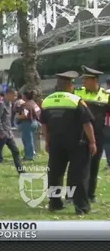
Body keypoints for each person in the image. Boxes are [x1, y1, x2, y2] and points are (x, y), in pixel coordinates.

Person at [41, 71, 97, 214]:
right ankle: (81, 207)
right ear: (69, 85)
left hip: (55, 143)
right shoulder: (76, 100)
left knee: (55, 173)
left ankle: (55, 204)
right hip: (77, 143)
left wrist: (47, 142)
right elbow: (87, 123)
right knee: (79, 174)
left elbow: (44, 125)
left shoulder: (47, 101)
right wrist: (92, 142)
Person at [73, 66, 109, 203]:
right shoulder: (77, 93)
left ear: (94, 80)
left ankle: (90, 195)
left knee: (94, 165)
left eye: (86, 80)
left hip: (98, 135)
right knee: (79, 166)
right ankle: (74, 195)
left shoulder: (106, 96)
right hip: (80, 134)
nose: (83, 82)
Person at [15, 89, 41, 161]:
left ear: (25, 96)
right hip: (34, 122)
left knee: (27, 140)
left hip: (28, 124)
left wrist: (17, 116)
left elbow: (25, 115)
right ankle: (30, 153)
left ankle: (29, 156)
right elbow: (39, 111)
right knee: (27, 139)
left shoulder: (26, 105)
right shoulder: (33, 103)